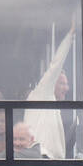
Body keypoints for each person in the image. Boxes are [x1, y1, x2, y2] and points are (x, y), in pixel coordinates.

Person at [23, 22, 76, 159]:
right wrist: (70, 35)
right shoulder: (42, 93)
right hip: (40, 160)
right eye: (63, 84)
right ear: (51, 83)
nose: (67, 88)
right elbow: (56, 65)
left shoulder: (52, 105)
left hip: (53, 165)